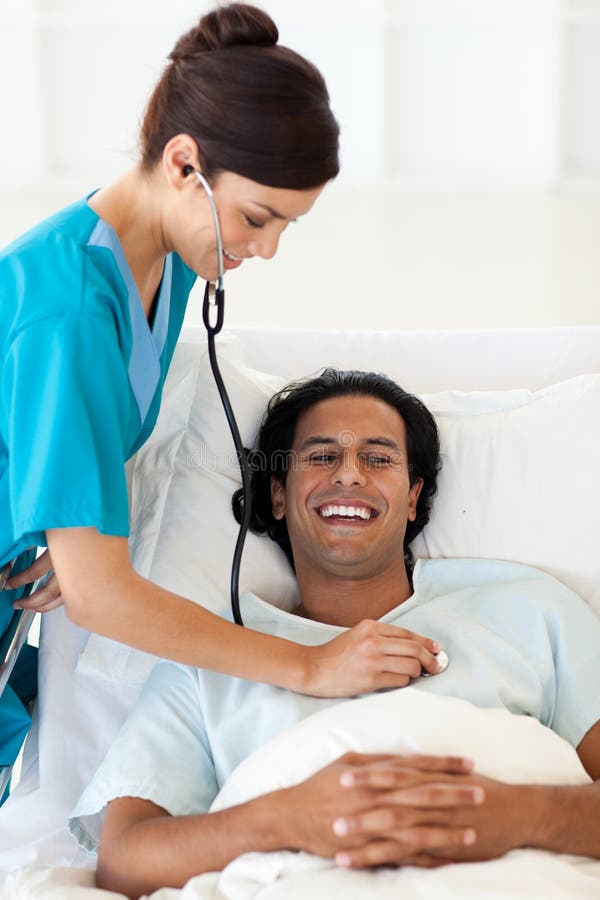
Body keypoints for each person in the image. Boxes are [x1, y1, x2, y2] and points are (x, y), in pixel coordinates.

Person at [0, 5, 442, 789]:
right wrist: (310, 666)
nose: (263, 250)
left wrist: (72, 530)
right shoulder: (67, 307)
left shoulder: (158, 265)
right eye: (254, 218)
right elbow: (103, 601)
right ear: (182, 164)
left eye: (286, 228)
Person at [69, 369, 600, 898]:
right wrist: (285, 820)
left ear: (414, 498)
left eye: (378, 458)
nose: (350, 475)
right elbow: (125, 861)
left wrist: (522, 815)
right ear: (278, 495)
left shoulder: (530, 610)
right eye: (322, 457)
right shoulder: (208, 657)